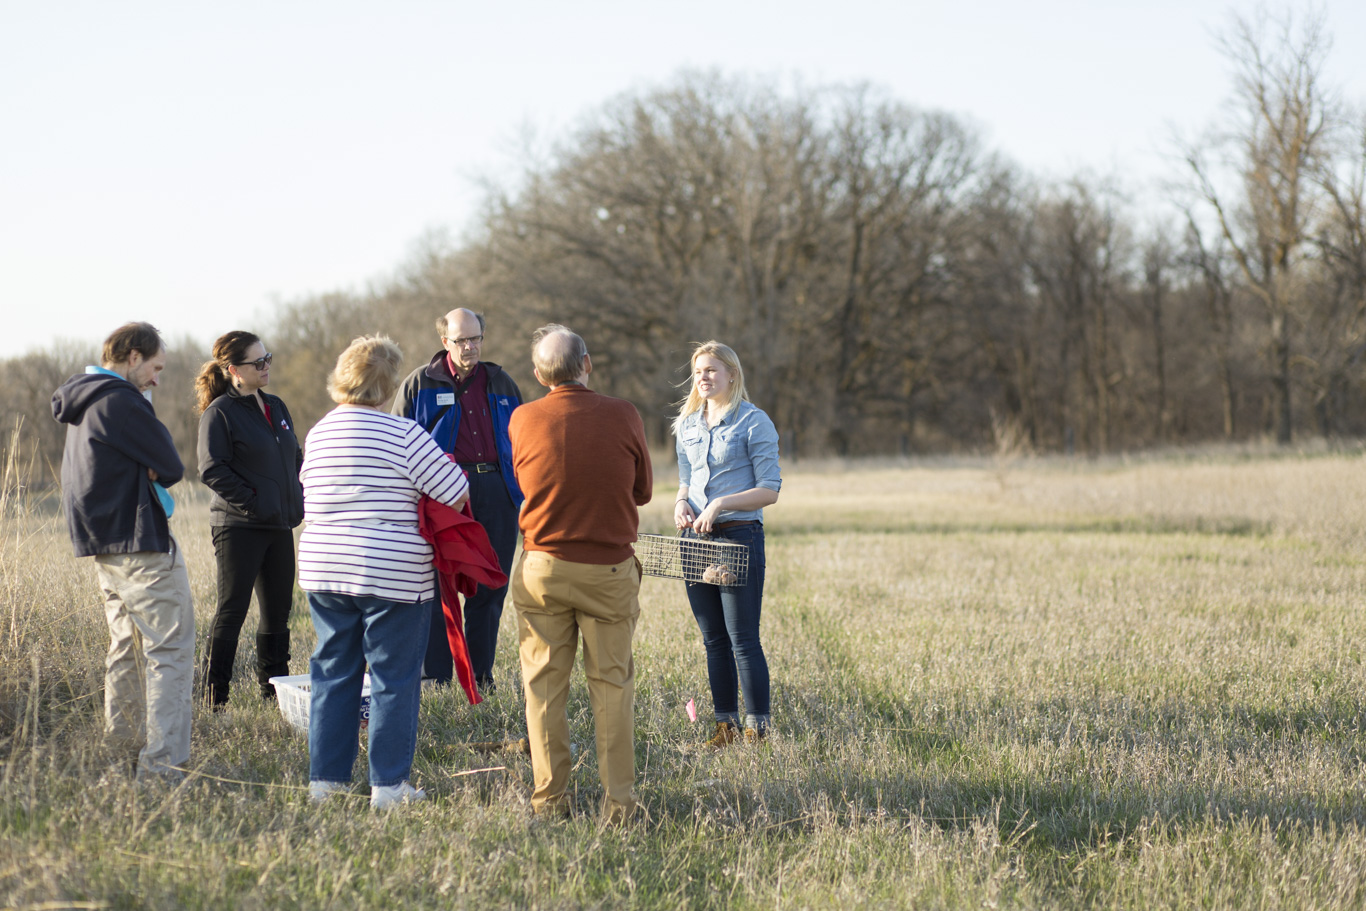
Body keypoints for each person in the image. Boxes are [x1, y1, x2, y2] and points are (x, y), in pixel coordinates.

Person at [299, 335, 470, 809]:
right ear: (389, 385)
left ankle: (326, 782)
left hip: (324, 568)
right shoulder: (403, 434)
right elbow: (455, 491)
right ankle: (389, 787)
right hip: (391, 572)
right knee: (394, 678)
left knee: (333, 671)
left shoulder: (319, 432)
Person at [509, 325, 652, 822]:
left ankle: (550, 802)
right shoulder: (624, 414)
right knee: (612, 690)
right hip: (608, 570)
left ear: (538, 374)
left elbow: (524, 480)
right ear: (586, 364)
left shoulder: (523, 418)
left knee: (544, 691)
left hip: (542, 568)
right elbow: (642, 490)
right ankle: (620, 807)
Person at [51, 321, 195, 781]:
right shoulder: (122, 401)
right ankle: (162, 770)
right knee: (170, 651)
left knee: (125, 651)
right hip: (142, 547)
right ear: (133, 357)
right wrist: (149, 466)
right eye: (155, 368)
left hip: (106, 550)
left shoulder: (83, 402)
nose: (157, 380)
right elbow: (171, 465)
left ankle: (120, 755)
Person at [392, 308, 523, 695]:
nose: (470, 347)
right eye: (461, 340)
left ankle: (481, 678)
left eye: (476, 338)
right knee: (437, 586)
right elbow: (400, 443)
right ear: (445, 341)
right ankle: (437, 678)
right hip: (441, 494)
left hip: (497, 490)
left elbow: (522, 440)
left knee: (491, 585)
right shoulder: (420, 382)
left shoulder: (501, 382)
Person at [673, 341, 781, 749]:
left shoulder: (754, 422)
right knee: (713, 640)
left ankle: (758, 731)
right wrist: (681, 502)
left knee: (743, 639)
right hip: (695, 541)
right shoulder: (687, 425)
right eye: (699, 371)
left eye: (712, 370)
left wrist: (719, 504)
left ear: (732, 375)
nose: (703, 377)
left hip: (738, 537)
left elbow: (769, 490)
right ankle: (726, 728)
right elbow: (686, 480)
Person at [195, 331, 304, 708]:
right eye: (258, 362)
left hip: (279, 526)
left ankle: (275, 695)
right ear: (234, 370)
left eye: (267, 358)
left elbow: (294, 458)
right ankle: (215, 699)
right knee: (232, 611)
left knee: (278, 614)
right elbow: (212, 470)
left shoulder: (276, 406)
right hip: (238, 528)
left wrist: (296, 496)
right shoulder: (219, 413)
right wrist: (256, 504)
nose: (266, 366)